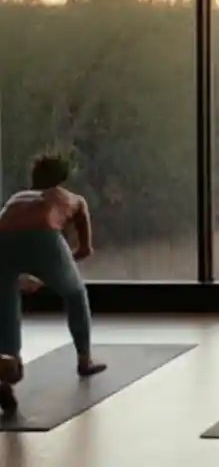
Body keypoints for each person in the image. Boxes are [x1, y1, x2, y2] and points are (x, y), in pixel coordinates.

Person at [0, 152, 106, 416]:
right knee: (76, 294)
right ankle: (84, 360)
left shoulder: (17, 198)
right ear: (63, 177)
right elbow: (85, 250)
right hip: (43, 235)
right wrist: (53, 273)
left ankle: (7, 371)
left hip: (2, 237)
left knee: (7, 306)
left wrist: (35, 276)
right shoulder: (71, 199)